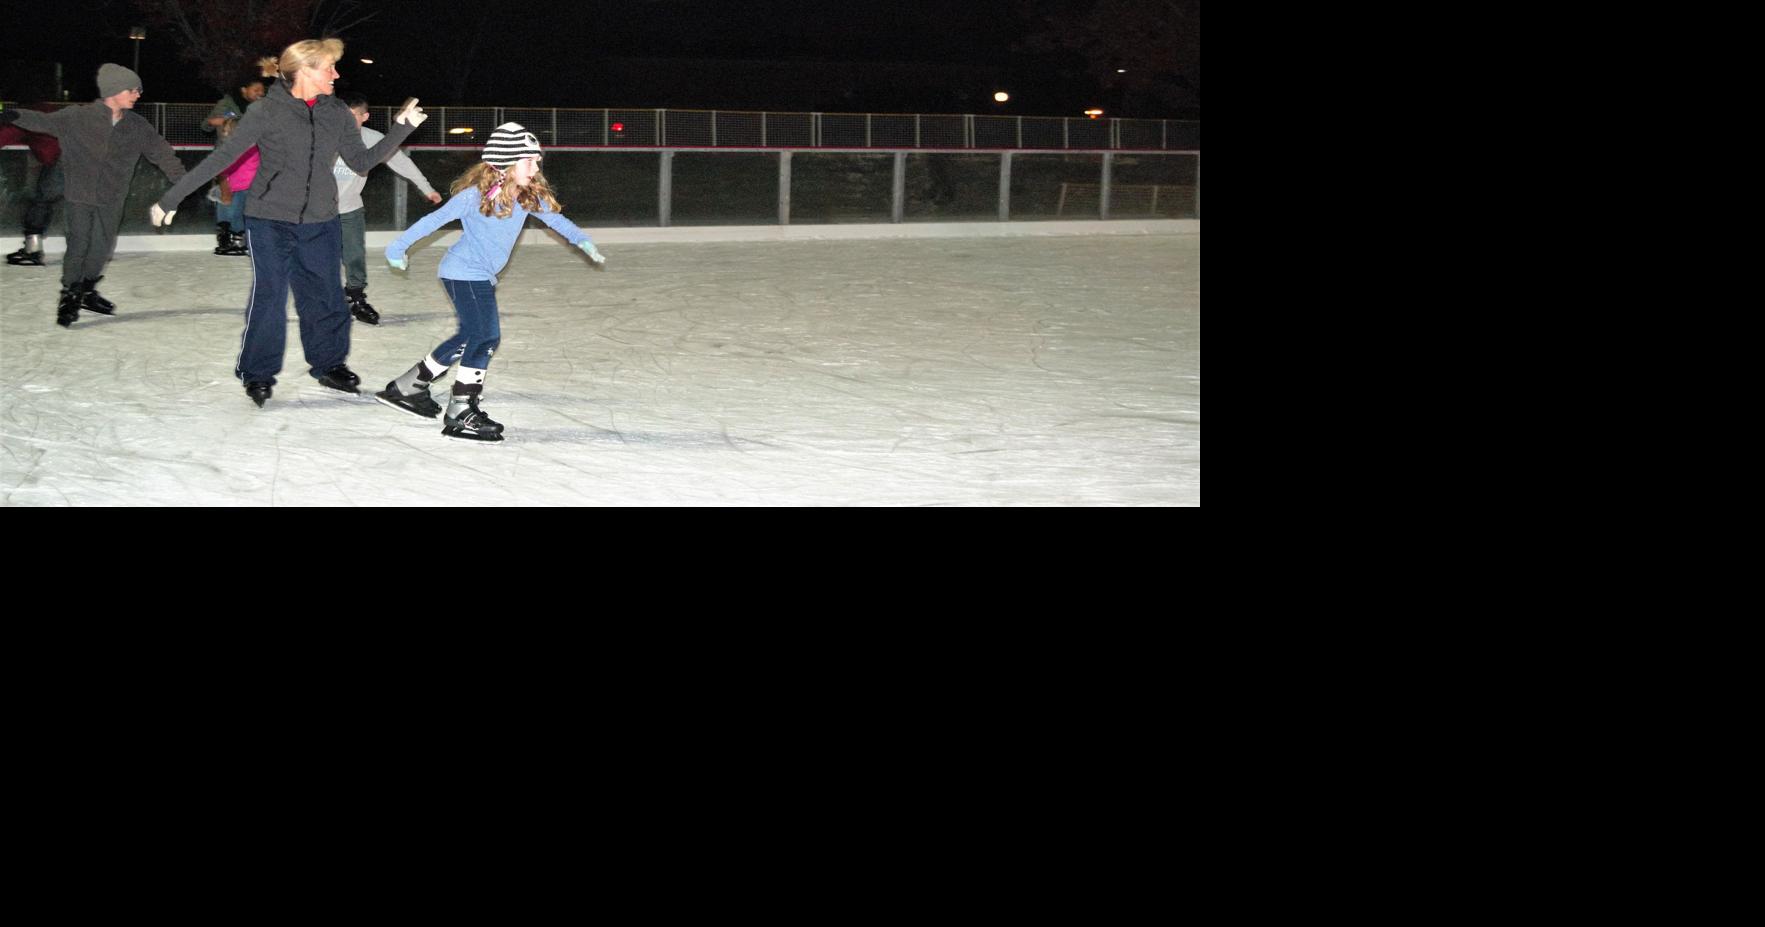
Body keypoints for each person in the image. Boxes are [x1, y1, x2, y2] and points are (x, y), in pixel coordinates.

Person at [148, 38, 427, 407]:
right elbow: (223, 157)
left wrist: (400, 129)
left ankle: (329, 363)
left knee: (326, 296)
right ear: (305, 71)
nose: (336, 74)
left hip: (321, 219)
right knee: (270, 296)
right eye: (329, 68)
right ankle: (257, 372)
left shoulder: (336, 112)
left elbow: (361, 162)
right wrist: (172, 197)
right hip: (269, 219)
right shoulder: (266, 111)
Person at [381, 123, 606, 442]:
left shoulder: (526, 196)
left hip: (479, 276)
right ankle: (461, 409)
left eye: (537, 160)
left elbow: (555, 219)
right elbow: (433, 221)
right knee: (485, 336)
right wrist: (397, 248)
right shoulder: (474, 196)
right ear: (506, 163)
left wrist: (582, 240)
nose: (536, 166)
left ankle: (408, 386)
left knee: (469, 335)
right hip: (462, 272)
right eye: (529, 160)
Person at [1, 64, 186, 327]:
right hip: (79, 195)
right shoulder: (77, 117)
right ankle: (70, 293)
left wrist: (184, 183)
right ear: (114, 90)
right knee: (78, 245)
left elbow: (163, 154)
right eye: (133, 90)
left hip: (112, 198)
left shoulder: (137, 126)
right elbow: (42, 121)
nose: (138, 94)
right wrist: (12, 114)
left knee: (101, 248)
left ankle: (86, 290)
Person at [333, 92, 442, 324]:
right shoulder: (326, 135)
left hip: (350, 209)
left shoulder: (372, 139)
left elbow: (402, 162)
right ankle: (323, 300)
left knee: (354, 257)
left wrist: (426, 188)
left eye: (353, 116)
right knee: (317, 257)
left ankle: (355, 298)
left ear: (365, 117)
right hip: (317, 211)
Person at [209, 76, 272, 256]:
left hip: (248, 182)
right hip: (230, 176)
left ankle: (239, 236)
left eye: (263, 90)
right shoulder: (228, 104)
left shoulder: (263, 108)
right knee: (227, 204)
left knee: (240, 208)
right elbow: (208, 123)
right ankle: (226, 236)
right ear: (244, 90)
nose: (261, 93)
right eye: (256, 90)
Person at [0, 100, 63, 267]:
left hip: (65, 160)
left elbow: (5, 135)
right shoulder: (45, 108)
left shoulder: (20, 119)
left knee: (42, 201)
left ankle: (33, 250)